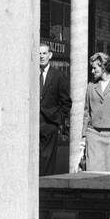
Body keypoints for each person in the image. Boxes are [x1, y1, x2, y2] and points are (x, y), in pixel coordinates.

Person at [39, 42, 70, 175]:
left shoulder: (57, 76)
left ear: (50, 55)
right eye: (39, 53)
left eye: (44, 53)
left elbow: (66, 102)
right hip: (32, 124)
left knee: (47, 161)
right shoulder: (29, 74)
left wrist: (58, 120)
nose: (41, 56)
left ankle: (44, 188)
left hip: (49, 124)